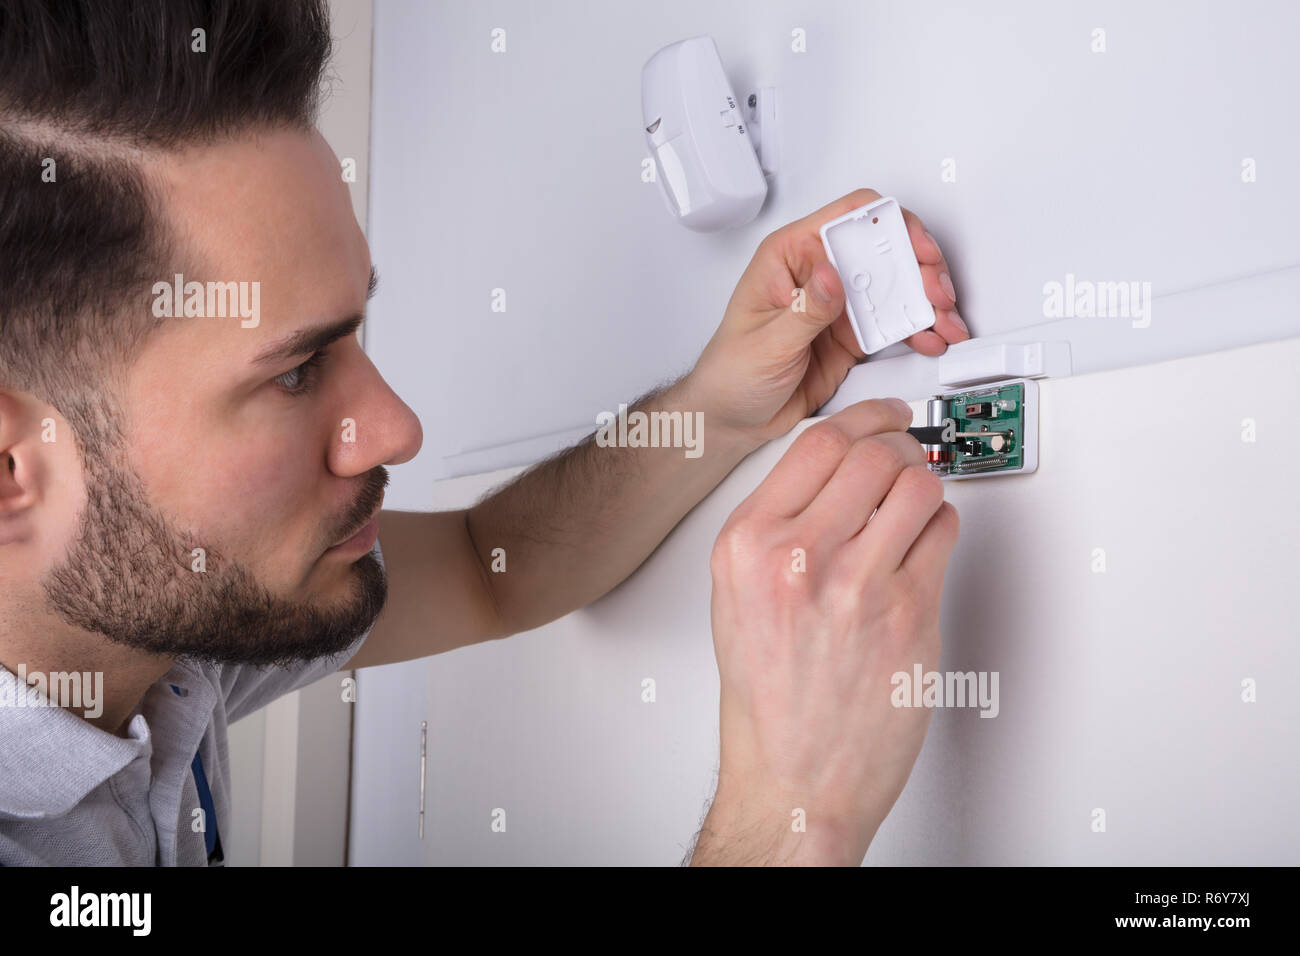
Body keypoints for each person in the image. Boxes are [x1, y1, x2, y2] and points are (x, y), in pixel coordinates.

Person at [0, 0, 967, 866]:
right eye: (295, 372)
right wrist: (793, 819)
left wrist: (714, 406)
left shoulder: (173, 638)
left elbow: (484, 569)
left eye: (351, 337)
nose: (398, 429)